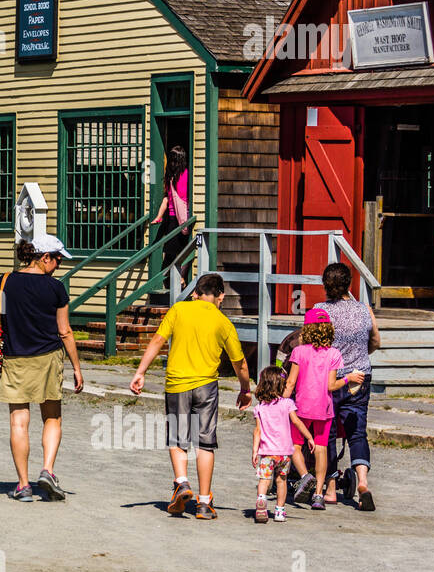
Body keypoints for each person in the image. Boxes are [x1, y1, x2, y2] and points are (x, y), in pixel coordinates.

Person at [130, 272, 251, 519]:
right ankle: (204, 503)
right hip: (207, 387)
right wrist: (245, 389)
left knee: (177, 439)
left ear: (195, 292)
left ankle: (183, 483)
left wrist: (140, 371)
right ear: (221, 296)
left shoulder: (178, 310)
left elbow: (157, 341)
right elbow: (240, 363)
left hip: (177, 385)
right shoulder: (223, 322)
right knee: (205, 443)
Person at [0, 233, 84, 502]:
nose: (59, 265)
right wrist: (77, 367)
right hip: (48, 359)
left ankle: (24, 485)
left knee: (19, 422)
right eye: (58, 259)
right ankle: (47, 471)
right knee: (52, 417)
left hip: (15, 358)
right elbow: (65, 332)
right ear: (45, 257)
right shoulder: (56, 288)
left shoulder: (6, 281)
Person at [284, 308, 363, 509]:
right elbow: (331, 386)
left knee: (296, 445)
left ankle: (304, 477)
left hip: (301, 408)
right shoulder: (334, 354)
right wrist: (348, 379)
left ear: (307, 330)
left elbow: (291, 382)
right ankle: (319, 494)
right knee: (321, 448)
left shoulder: (298, 352)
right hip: (324, 410)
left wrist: (279, 402)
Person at [316, 262, 380, 511]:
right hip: (361, 376)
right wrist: (361, 356)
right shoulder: (364, 310)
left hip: (331, 379)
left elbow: (312, 344)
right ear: (349, 285)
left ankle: (330, 489)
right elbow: (375, 341)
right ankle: (363, 482)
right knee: (357, 432)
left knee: (328, 433)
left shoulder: (320, 311)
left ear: (326, 285)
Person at [251, 365, 315, 523]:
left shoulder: (259, 408)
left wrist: (254, 451)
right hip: (284, 453)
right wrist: (309, 437)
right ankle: (279, 511)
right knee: (281, 481)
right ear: (282, 385)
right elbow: (297, 422)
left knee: (264, 480)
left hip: (266, 453)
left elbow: (257, 432)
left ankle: (261, 499)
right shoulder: (287, 404)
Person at [151, 145, 191, 279]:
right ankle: (177, 280)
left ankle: (179, 279)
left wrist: (159, 216)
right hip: (180, 218)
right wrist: (158, 217)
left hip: (177, 219)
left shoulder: (175, 176)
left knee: (176, 252)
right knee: (176, 252)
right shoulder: (181, 175)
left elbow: (165, 199)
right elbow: (167, 198)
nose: (172, 163)